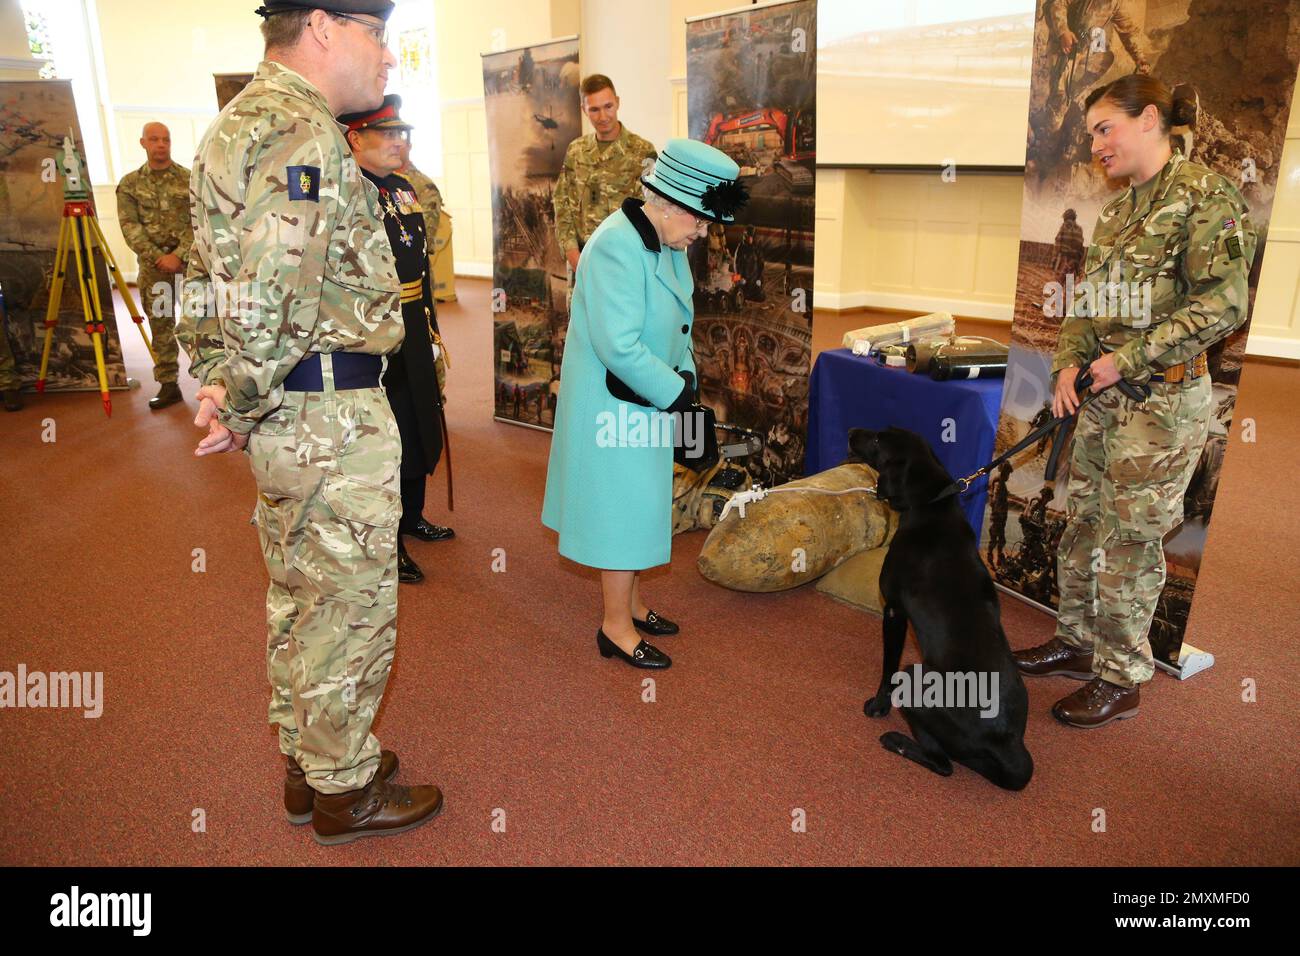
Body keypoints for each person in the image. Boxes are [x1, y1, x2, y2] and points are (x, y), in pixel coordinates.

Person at [176, 0, 443, 844]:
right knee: (351, 603)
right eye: (379, 35)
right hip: (326, 409)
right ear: (325, 27)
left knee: (301, 595)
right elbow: (274, 293)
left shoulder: (236, 124)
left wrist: (222, 386)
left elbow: (208, 275)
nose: (389, 59)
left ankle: (309, 760)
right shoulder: (303, 131)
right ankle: (343, 789)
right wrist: (243, 396)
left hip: (291, 408)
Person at [1014, 74, 1257, 727]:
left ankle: (1122, 678)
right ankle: (1075, 641)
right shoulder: (1121, 209)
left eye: (1105, 128)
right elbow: (1089, 304)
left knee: (1127, 542)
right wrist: (1067, 365)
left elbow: (1225, 304)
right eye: (1093, 132)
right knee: (1084, 526)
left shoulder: (1208, 199)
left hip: (1160, 408)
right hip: (1100, 404)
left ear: (1149, 118)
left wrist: (1125, 359)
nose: (1096, 143)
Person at [542, 139, 746, 669]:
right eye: (700, 222)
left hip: (649, 397)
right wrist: (679, 395)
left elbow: (678, 330)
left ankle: (632, 604)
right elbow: (618, 346)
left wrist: (689, 389)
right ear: (671, 204)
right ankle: (614, 627)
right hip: (613, 403)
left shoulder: (665, 242)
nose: (701, 233)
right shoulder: (616, 246)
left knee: (644, 503)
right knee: (621, 510)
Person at [340, 94, 453, 586]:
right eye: (386, 133)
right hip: (374, 334)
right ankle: (388, 544)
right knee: (385, 438)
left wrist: (430, 327)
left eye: (401, 132)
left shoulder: (403, 189)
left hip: (411, 324)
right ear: (355, 138)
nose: (398, 141)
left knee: (418, 420)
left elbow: (420, 264)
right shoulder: (347, 193)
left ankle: (412, 516)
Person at [115, 122, 192, 410]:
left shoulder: (188, 179)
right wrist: (159, 257)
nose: (161, 144)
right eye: (154, 139)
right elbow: (130, 227)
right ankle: (169, 384)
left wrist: (180, 255)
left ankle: (213, 384)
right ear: (143, 143)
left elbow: (200, 219)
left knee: (200, 324)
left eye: (166, 139)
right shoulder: (131, 184)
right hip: (154, 269)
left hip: (191, 268)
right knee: (161, 326)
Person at [552, 74, 657, 277]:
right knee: (581, 310)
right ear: (584, 110)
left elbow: (651, 211)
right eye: (594, 109)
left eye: (608, 106)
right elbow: (561, 203)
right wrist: (573, 255)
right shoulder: (576, 151)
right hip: (581, 263)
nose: (602, 116)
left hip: (625, 264)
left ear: (617, 102)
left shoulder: (642, 152)